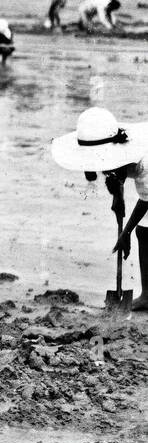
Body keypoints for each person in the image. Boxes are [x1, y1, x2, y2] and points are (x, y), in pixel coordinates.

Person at [51, 107, 148, 310]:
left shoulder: (143, 160)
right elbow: (97, 167)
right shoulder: (100, 139)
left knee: (142, 230)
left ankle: (147, 295)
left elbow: (146, 200)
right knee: (144, 231)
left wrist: (126, 232)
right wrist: (117, 198)